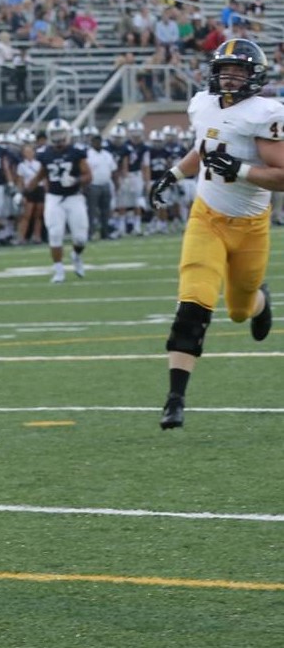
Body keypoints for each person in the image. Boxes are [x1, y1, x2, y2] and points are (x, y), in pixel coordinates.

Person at [148, 39, 282, 430]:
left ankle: (260, 301)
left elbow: (282, 176)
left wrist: (240, 170)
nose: (230, 76)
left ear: (254, 76)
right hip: (206, 218)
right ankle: (175, 398)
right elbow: (204, 149)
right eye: (225, 69)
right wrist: (174, 174)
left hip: (251, 227)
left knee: (239, 309)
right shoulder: (202, 104)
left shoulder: (264, 114)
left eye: (239, 70)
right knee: (194, 302)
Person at [31, 119, 91, 282]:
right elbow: (40, 175)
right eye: (55, 134)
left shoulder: (77, 151)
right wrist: (23, 192)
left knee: (80, 238)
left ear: (67, 134)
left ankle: (76, 255)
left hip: (74, 198)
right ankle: (58, 271)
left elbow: (88, 176)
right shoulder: (44, 153)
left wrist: (75, 180)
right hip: (54, 198)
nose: (58, 137)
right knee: (55, 233)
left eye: (60, 133)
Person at [85, 133, 117, 240]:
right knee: (91, 211)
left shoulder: (107, 155)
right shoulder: (88, 155)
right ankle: (90, 233)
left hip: (106, 184)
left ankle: (105, 233)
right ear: (92, 143)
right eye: (95, 141)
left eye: (99, 141)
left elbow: (113, 170)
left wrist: (115, 183)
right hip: (93, 185)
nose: (97, 143)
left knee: (105, 211)